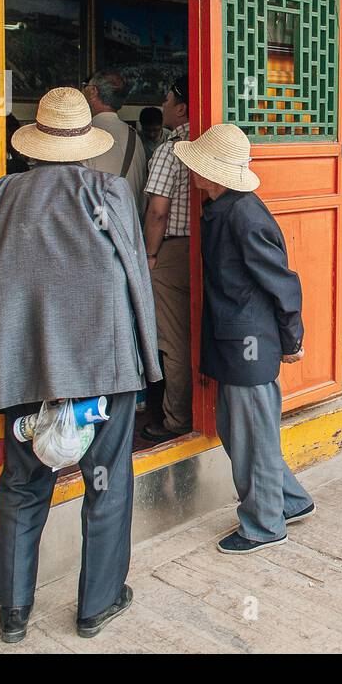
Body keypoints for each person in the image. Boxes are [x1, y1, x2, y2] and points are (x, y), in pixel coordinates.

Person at [0, 86, 162, 642]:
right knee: (106, 480)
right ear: (85, 146)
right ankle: (97, 604)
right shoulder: (109, 192)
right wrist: (147, 356)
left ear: (32, 146)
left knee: (21, 483)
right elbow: (135, 276)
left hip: (21, 365)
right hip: (102, 363)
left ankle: (14, 615)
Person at [172, 123, 315, 554]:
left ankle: (263, 525)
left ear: (212, 173)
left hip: (249, 346)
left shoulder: (245, 216)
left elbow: (282, 285)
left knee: (250, 435)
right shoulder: (224, 208)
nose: (191, 172)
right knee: (243, 433)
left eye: (197, 166)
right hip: (234, 343)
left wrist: (292, 341)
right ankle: (289, 500)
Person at [141, 76, 193, 442]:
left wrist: (149, 254)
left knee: (173, 342)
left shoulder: (170, 150)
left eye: (167, 98)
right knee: (196, 334)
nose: (162, 105)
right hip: (204, 248)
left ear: (181, 108)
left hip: (172, 251)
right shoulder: (208, 142)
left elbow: (158, 211)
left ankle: (176, 420)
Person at [81, 70, 148, 216]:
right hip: (128, 227)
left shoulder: (85, 135)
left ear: (93, 91)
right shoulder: (134, 137)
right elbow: (143, 195)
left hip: (97, 230)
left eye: (86, 86)